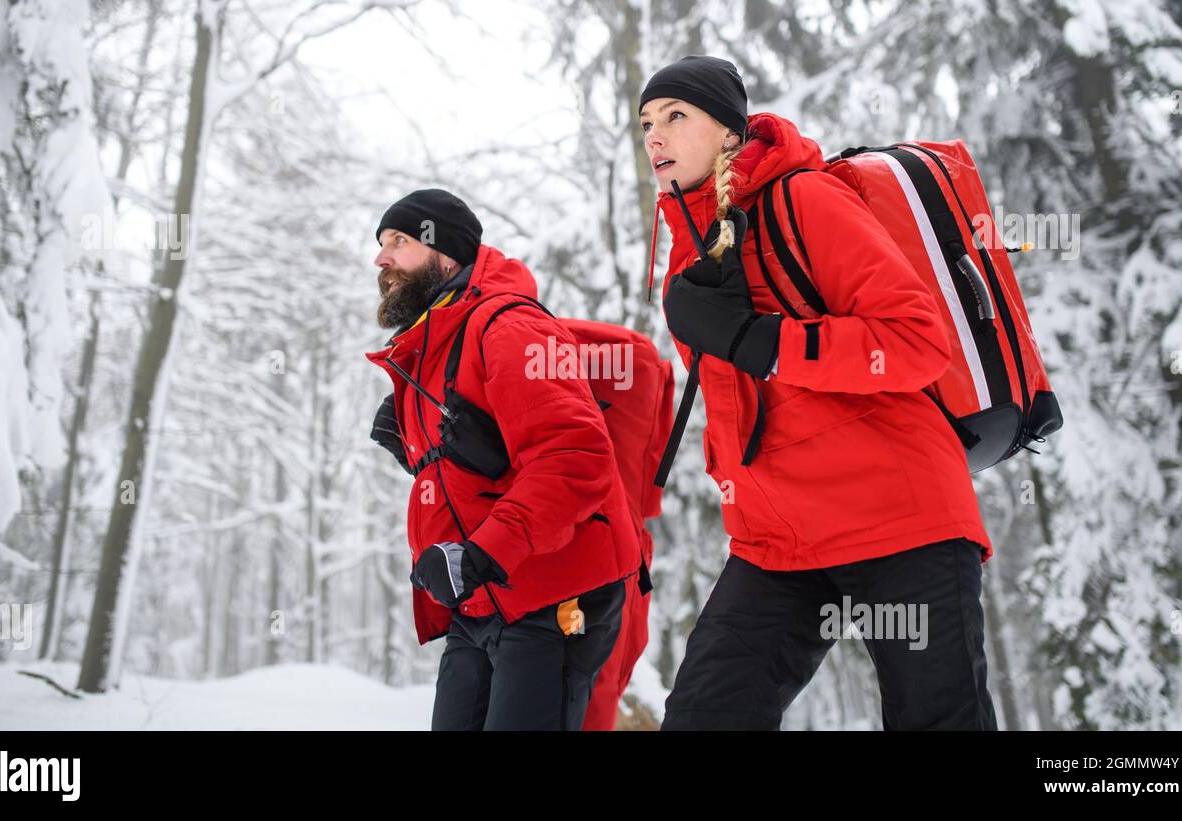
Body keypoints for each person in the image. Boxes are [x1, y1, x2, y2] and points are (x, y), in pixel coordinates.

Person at [638, 56, 998, 730]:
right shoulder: (690, 264)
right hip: (779, 540)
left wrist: (764, 340)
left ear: (728, 134)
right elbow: (739, 411)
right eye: (646, 123)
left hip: (899, 517)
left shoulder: (805, 199)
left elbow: (916, 340)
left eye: (676, 116)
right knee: (702, 716)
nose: (654, 136)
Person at [363, 189, 640, 730]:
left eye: (398, 241)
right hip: (482, 602)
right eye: (380, 244)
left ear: (445, 254)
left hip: (553, 595)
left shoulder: (510, 326)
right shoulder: (432, 348)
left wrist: (481, 555)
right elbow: (491, 469)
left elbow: (575, 457)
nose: (381, 258)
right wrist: (422, 456)